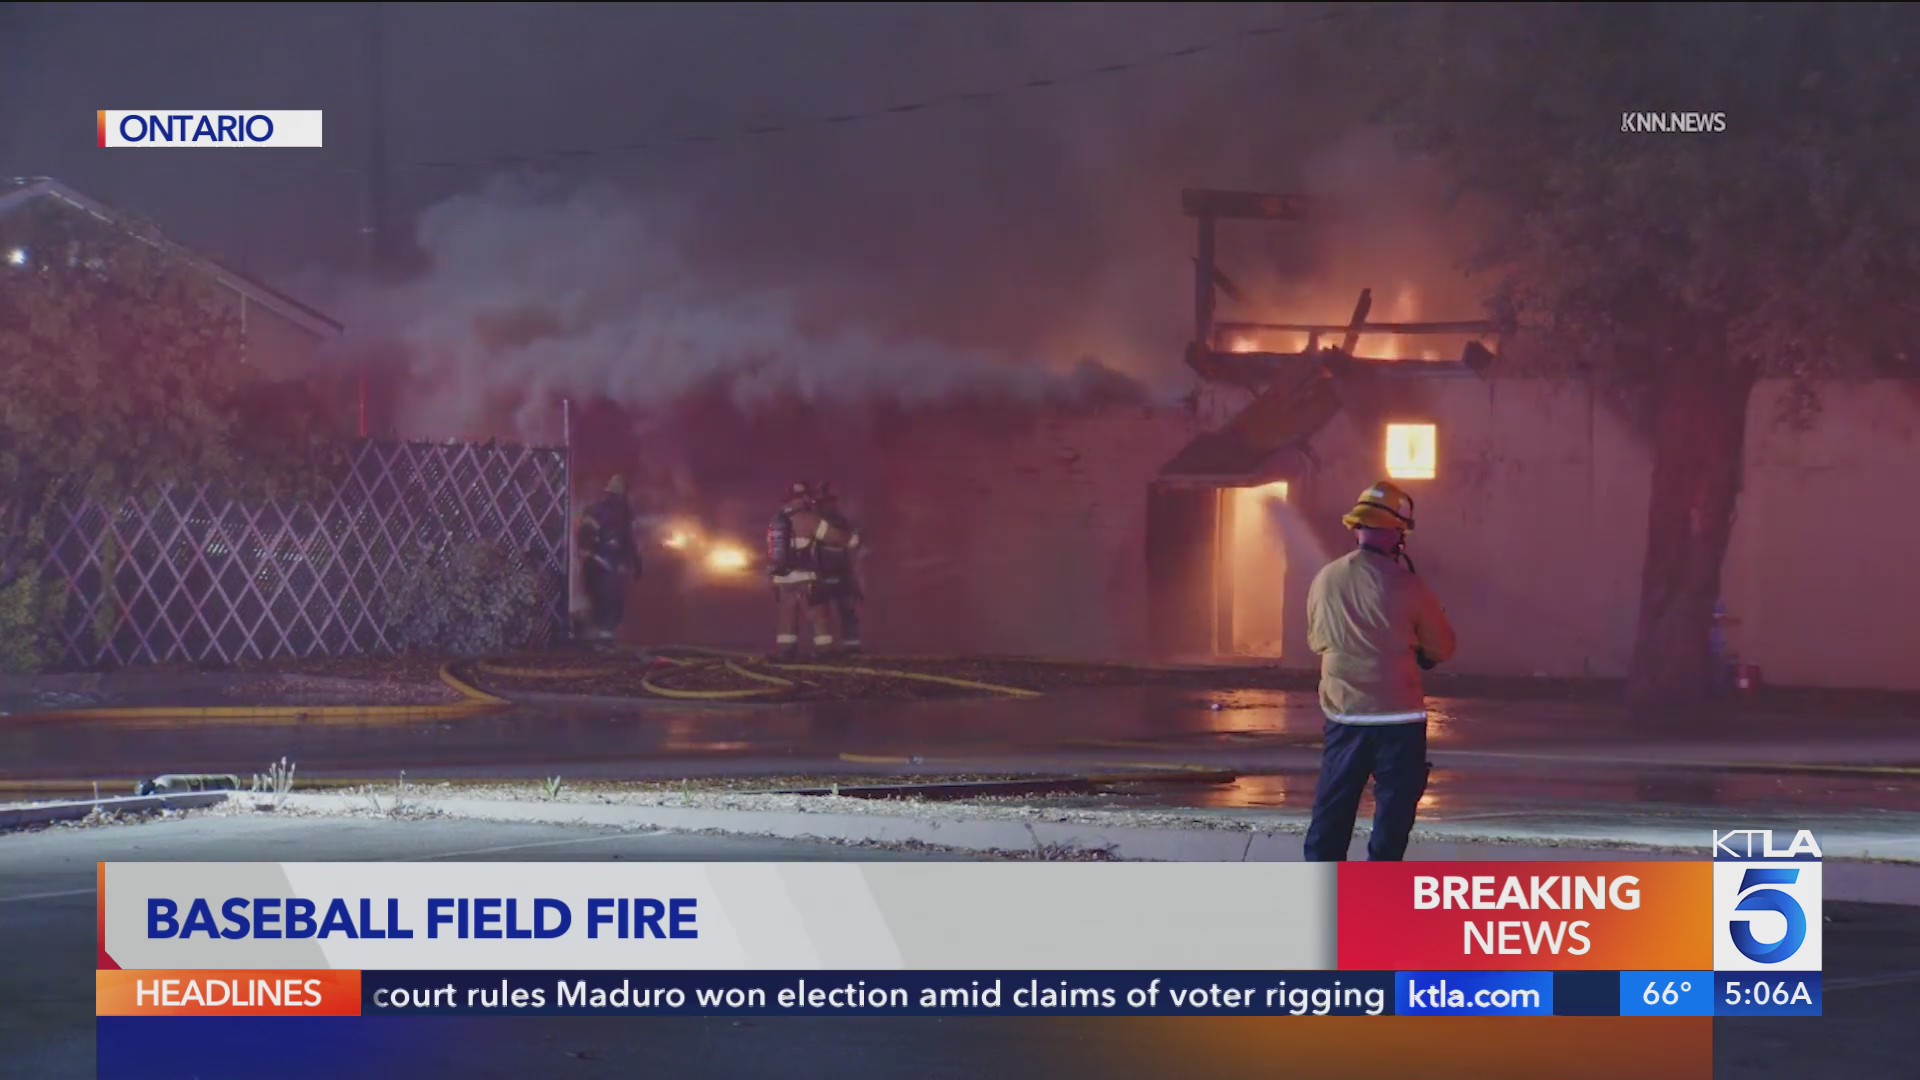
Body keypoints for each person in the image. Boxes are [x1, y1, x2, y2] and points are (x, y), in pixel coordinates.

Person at [1302, 480, 1457, 862]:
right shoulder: (1408, 585)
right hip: (1399, 718)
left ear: (1357, 527)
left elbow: (1317, 640)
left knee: (1333, 807)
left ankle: (1322, 897)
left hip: (1345, 714)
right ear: (1395, 533)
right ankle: (1379, 899)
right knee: (1393, 813)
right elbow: (1441, 647)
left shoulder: (1325, 579)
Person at [765, 482, 835, 659]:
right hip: (806, 578)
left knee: (787, 615)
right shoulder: (810, 519)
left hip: (782, 578)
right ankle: (824, 651)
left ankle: (786, 651)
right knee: (818, 613)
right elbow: (833, 537)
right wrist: (852, 540)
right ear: (804, 498)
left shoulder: (776, 520)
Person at [576, 475, 639, 642]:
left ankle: (602, 637)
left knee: (611, 601)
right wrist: (589, 553)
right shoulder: (599, 511)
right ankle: (598, 637)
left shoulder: (625, 513)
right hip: (600, 563)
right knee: (603, 600)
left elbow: (629, 539)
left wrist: (635, 560)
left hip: (612, 565)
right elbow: (585, 534)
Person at [812, 483, 865, 653]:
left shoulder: (839, 523)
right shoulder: (821, 523)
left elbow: (856, 548)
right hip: (826, 574)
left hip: (839, 574)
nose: (827, 505)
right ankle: (829, 649)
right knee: (825, 615)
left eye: (829, 502)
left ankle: (849, 648)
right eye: (824, 502)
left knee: (845, 613)